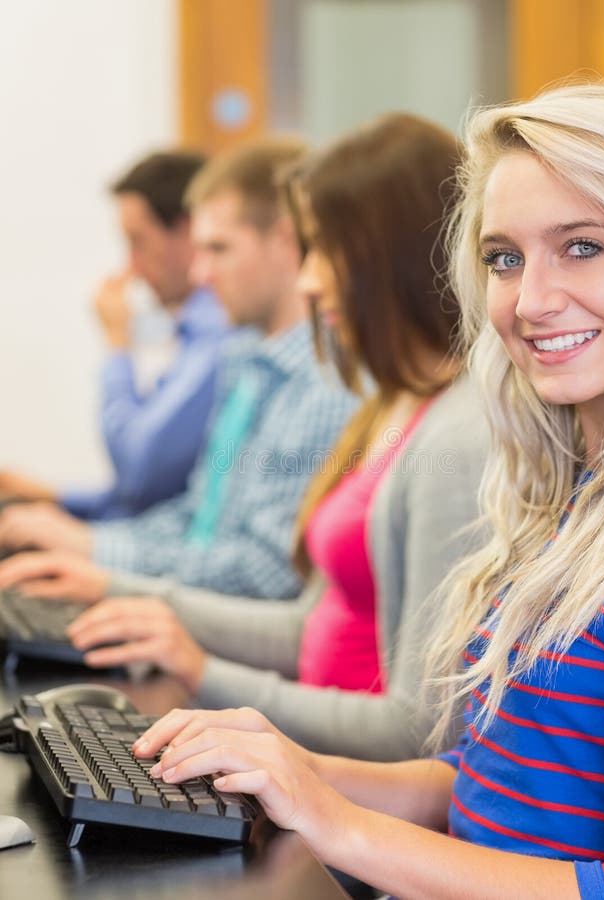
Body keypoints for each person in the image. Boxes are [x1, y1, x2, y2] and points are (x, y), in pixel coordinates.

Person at [124, 84, 604, 898]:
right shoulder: (578, 501)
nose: (529, 301)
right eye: (504, 259)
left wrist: (331, 818)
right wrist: (296, 769)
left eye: (582, 247)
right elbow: (486, 790)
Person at [0, 114, 488, 761]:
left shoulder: (438, 433)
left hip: (336, 770)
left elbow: (415, 728)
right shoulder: (385, 408)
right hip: (311, 748)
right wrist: (125, 593)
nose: (309, 279)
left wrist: (195, 664)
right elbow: (306, 623)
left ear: (388, 257)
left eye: (323, 250)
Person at [0, 139, 357, 597]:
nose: (199, 275)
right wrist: (91, 545)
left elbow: (265, 572)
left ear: (286, 241)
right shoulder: (245, 361)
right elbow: (197, 517)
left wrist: (94, 553)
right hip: (190, 608)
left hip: (217, 629)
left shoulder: (326, 383)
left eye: (219, 249)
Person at [0, 151, 229, 520]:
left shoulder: (220, 333)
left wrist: (117, 344)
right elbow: (155, 492)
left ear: (187, 230)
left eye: (138, 242)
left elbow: (140, 473)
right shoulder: (198, 331)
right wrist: (59, 499)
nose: (131, 266)